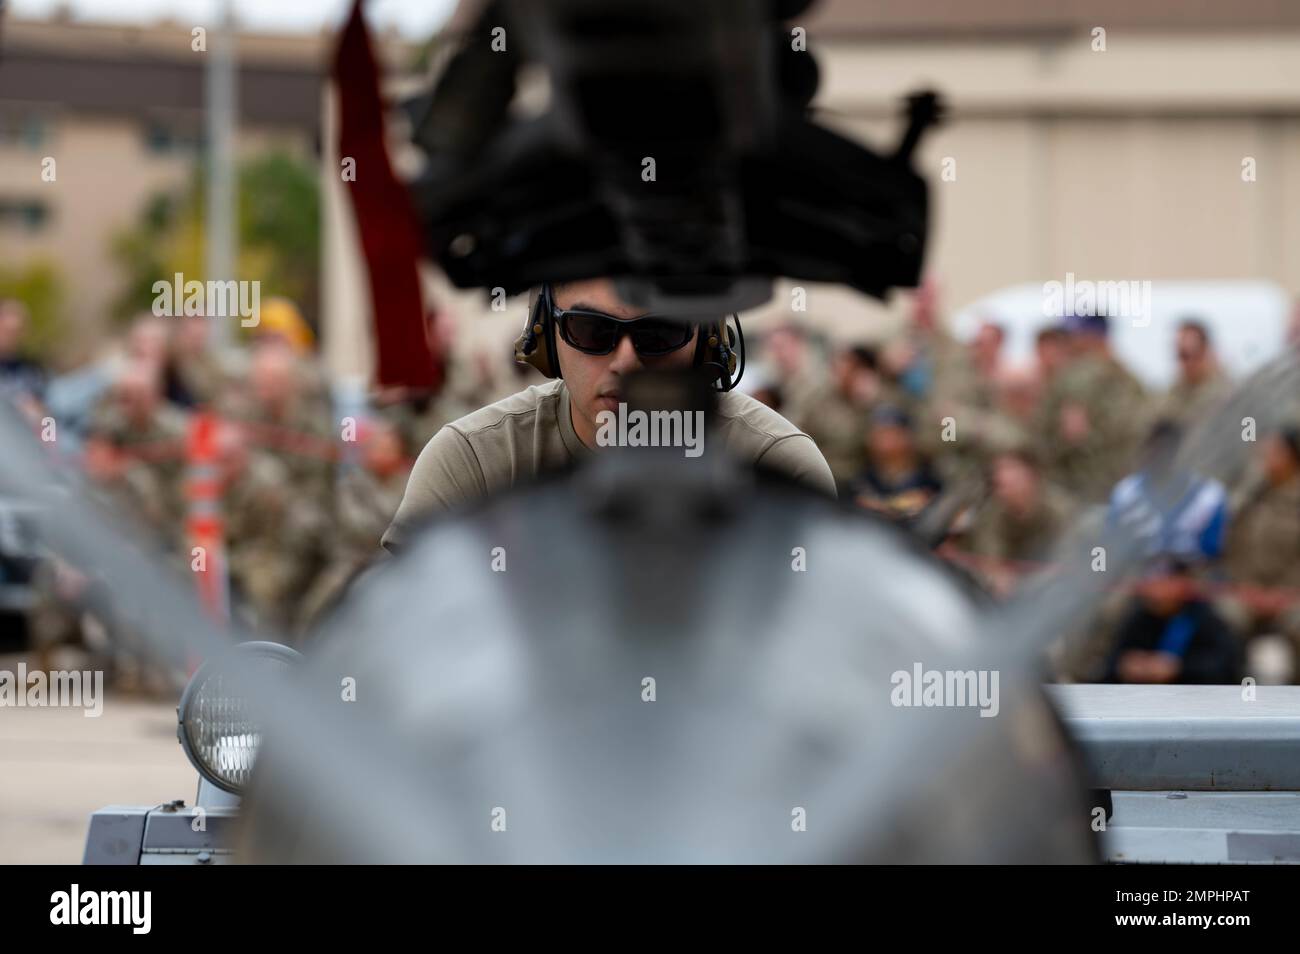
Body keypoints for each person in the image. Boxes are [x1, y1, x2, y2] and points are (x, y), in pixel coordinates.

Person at [382, 279, 835, 551]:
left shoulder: (776, 467)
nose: (626, 363)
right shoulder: (472, 465)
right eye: (591, 330)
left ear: (706, 340)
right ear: (547, 335)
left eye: (660, 333)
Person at [1215, 426, 1300, 679]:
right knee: (1220, 617)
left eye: (1275, 451)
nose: (1266, 456)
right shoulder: (1249, 497)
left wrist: (1284, 592)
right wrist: (1244, 586)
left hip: (1290, 595)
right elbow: (1233, 548)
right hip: (1248, 592)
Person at [1103, 557, 1241, 685]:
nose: (1158, 591)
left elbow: (1223, 665)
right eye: (1153, 582)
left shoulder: (1204, 618)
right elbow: (1111, 662)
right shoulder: (1138, 618)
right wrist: (1125, 665)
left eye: (1167, 582)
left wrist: (1178, 668)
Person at [848, 405, 942, 520]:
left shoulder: (929, 481)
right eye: (878, 433)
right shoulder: (860, 481)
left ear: (908, 436)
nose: (884, 440)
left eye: (891, 432)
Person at [1153, 318, 1230, 427]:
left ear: (1205, 351)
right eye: (1181, 355)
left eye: (1190, 354)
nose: (1186, 363)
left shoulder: (1227, 394)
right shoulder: (1171, 396)